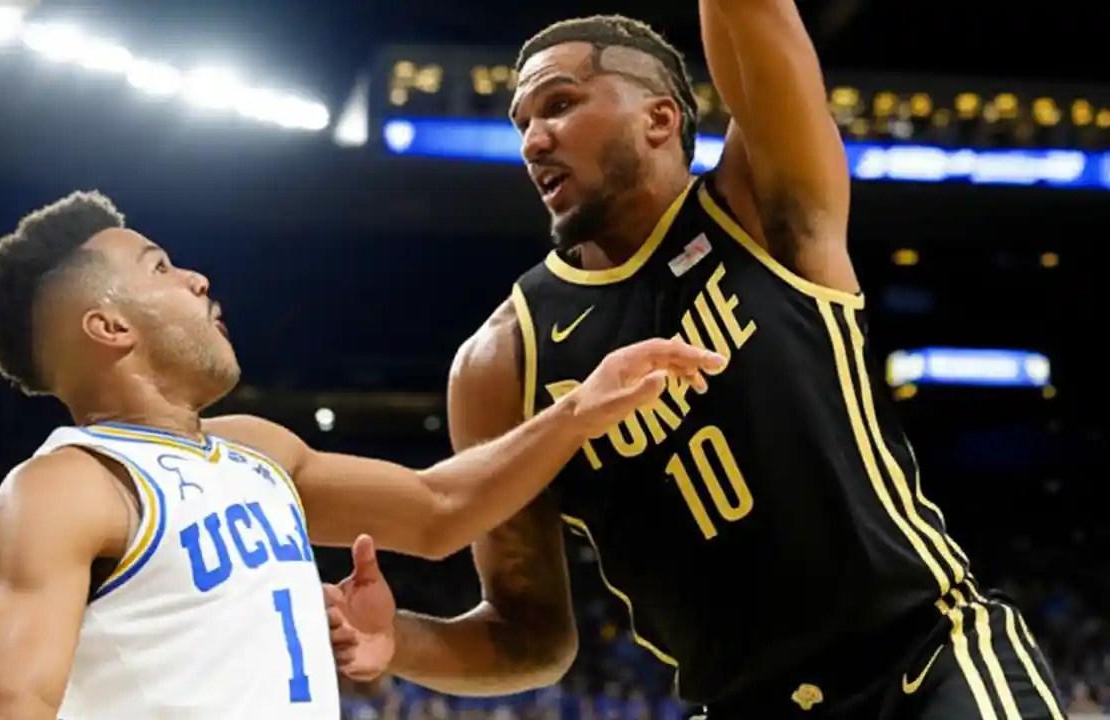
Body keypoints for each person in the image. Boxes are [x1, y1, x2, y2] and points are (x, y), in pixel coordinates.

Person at [326, 9, 1068, 720]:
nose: (533, 141)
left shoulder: (759, 204)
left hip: (921, 659)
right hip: (742, 705)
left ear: (660, 118)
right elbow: (530, 639)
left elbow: (757, 17)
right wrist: (398, 645)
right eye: (521, 123)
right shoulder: (502, 360)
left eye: (559, 105)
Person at [0, 190, 725, 720]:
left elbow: (437, 511)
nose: (196, 277)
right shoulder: (66, 487)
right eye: (159, 267)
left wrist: (582, 409)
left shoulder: (257, 451)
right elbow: (4, 705)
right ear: (109, 328)